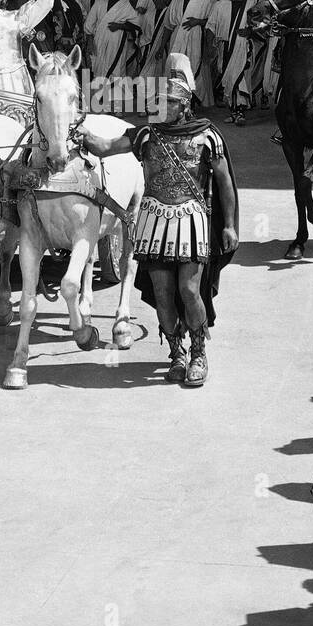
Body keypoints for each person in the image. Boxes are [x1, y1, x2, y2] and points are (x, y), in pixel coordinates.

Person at [78, 55, 238, 387]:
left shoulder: (207, 135)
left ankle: (198, 352)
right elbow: (105, 147)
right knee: (163, 294)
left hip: (192, 223)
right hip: (153, 224)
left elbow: (225, 183)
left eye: (168, 102)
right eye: (159, 101)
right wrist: (74, 128)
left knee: (189, 291)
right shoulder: (146, 136)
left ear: (184, 105)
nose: (161, 106)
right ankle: (176, 353)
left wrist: (230, 225)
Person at [206, 0, 253, 126]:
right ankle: (234, 112)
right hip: (224, 46)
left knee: (239, 77)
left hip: (241, 45)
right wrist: (210, 46)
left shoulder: (249, 3)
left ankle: (240, 112)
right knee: (228, 79)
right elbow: (211, 26)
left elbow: (259, 24)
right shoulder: (219, 5)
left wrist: (249, 32)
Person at [165, 0, 215, 108]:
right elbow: (168, 26)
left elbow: (211, 23)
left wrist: (198, 21)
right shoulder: (175, 1)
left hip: (195, 40)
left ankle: (191, 104)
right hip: (177, 41)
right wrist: (160, 46)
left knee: (192, 71)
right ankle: (180, 104)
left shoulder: (203, 0)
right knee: (176, 71)